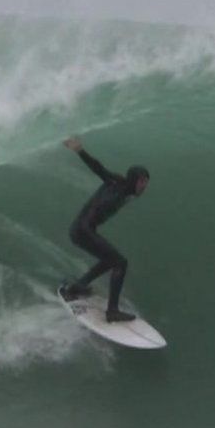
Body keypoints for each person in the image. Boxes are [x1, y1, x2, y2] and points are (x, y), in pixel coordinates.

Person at [59, 136, 150, 322]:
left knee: (110, 260)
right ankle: (112, 311)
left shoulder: (122, 187)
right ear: (133, 180)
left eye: (146, 182)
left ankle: (77, 287)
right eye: (142, 182)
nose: (144, 186)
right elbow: (98, 168)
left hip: (82, 230)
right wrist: (79, 150)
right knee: (120, 263)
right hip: (83, 230)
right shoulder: (116, 184)